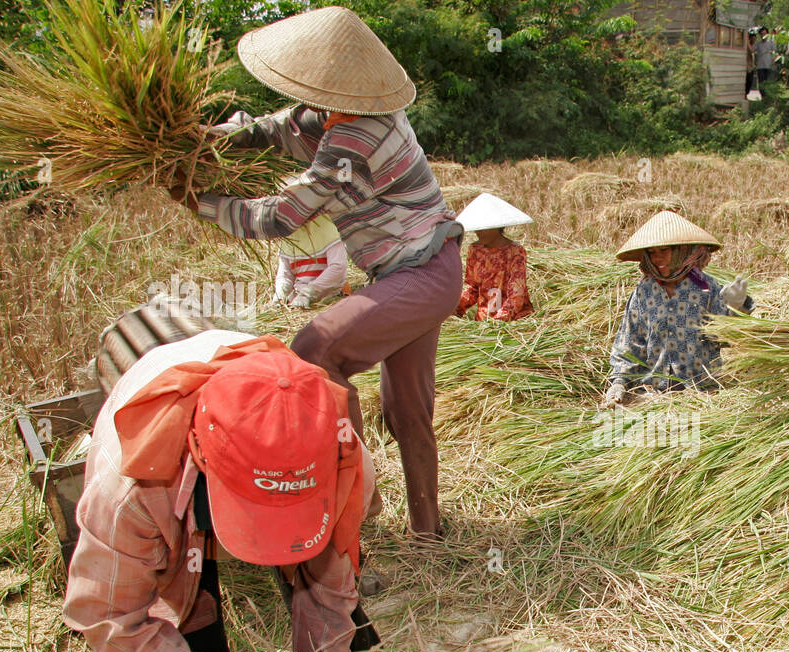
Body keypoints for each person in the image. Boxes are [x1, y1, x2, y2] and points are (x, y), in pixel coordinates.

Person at [172, 6, 462, 539]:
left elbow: (282, 215)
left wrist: (197, 198)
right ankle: (428, 531)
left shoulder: (358, 134)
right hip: (410, 273)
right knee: (405, 410)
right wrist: (195, 141)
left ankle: (356, 506)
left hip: (423, 273)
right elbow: (267, 130)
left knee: (316, 350)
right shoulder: (322, 116)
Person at [63, 331, 380, 652]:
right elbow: (112, 622)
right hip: (172, 483)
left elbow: (332, 584)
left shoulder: (342, 455)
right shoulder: (131, 487)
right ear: (198, 455)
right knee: (193, 616)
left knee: (342, 624)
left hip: (266, 413)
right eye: (255, 514)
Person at [603, 211, 752, 406]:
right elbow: (630, 341)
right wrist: (619, 382)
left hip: (702, 396)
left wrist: (736, 308)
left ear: (681, 250)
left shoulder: (705, 287)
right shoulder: (645, 291)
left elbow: (725, 338)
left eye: (664, 251)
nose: (658, 259)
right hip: (652, 396)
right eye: (652, 253)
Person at [455, 192, 534, 323]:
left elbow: (517, 295)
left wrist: (497, 322)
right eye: (477, 228)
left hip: (513, 322)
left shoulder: (514, 252)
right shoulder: (475, 251)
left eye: (483, 228)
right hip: (484, 321)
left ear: (497, 227)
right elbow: (472, 288)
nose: (478, 232)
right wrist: (455, 308)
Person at [275, 214, 350, 308]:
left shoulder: (329, 231)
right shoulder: (288, 239)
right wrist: (281, 292)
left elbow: (338, 268)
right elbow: (285, 275)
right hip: (299, 301)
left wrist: (308, 292)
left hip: (332, 298)